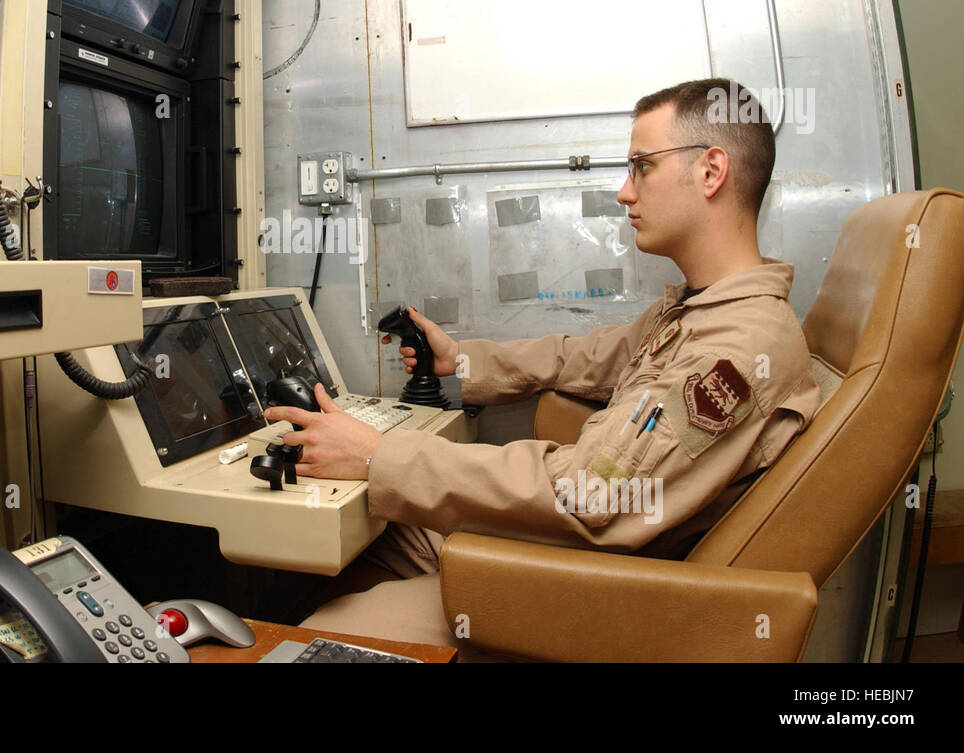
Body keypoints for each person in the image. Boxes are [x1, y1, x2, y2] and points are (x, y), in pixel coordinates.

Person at [264, 78, 822, 652]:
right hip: (562, 545)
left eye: (641, 166)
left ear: (711, 171)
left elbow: (587, 493)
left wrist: (377, 454)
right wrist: (461, 360)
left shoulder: (730, 351)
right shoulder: (696, 309)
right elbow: (587, 356)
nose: (624, 192)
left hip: (580, 586)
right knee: (375, 540)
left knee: (313, 643)